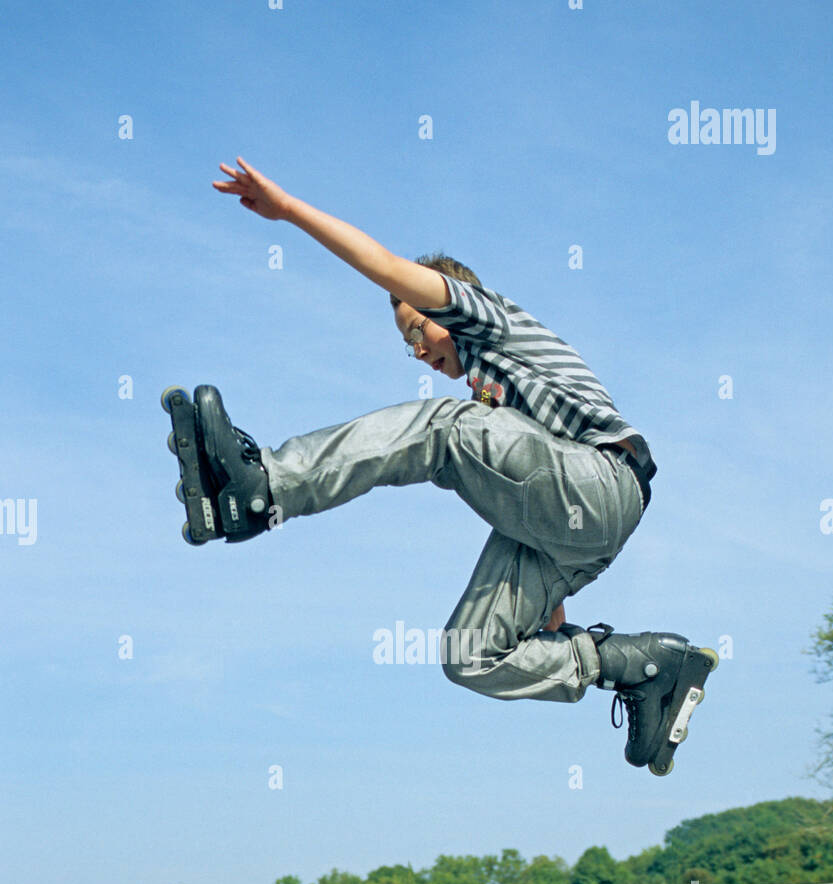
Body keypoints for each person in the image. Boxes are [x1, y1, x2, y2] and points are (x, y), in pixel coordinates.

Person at [161, 158, 716, 774]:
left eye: (419, 329)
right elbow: (538, 508)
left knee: (443, 426)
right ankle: (641, 664)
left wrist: (288, 210)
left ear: (448, 307)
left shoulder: (489, 321)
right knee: (471, 653)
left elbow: (389, 268)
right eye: (407, 343)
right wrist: (550, 619)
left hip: (603, 479)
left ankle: (266, 486)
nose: (418, 350)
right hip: (577, 527)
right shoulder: (508, 419)